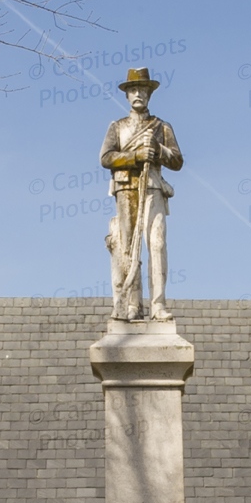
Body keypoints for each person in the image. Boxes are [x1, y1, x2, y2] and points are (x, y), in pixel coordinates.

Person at [100, 68, 182, 321]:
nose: (138, 94)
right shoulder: (118, 126)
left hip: (153, 188)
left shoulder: (161, 126)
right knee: (127, 248)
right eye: (133, 90)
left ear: (149, 95)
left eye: (142, 90)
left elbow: (177, 160)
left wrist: (157, 150)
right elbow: (106, 158)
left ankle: (158, 305)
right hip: (126, 189)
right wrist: (134, 156)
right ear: (126, 96)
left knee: (156, 245)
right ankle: (132, 306)